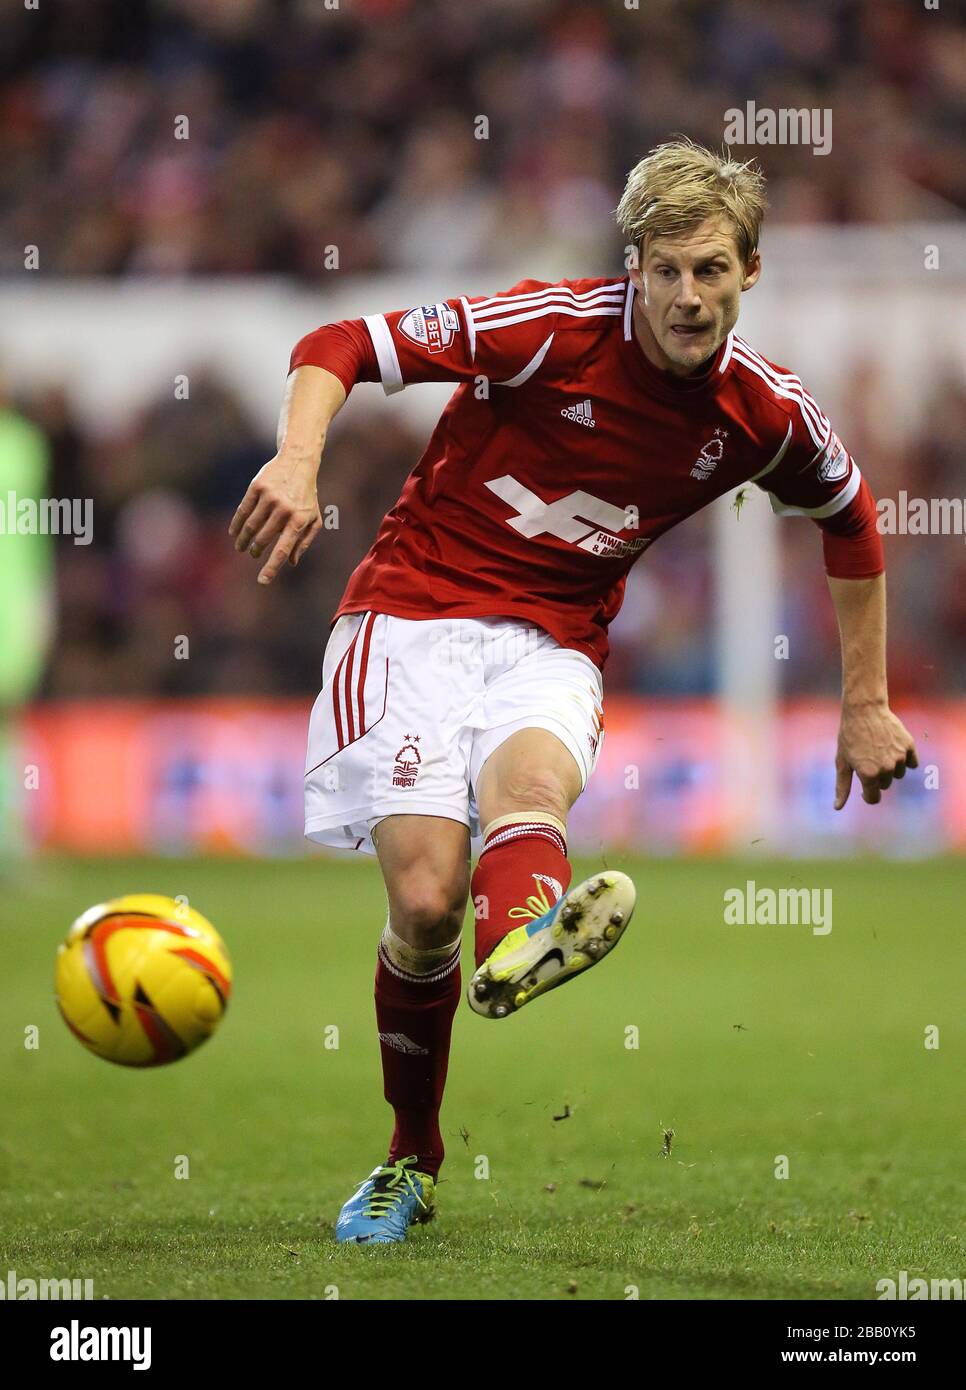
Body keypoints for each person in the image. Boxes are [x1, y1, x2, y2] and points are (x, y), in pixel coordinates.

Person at [229, 140, 917, 1244]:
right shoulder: (547, 328)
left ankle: (523, 939)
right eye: (666, 272)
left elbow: (851, 516)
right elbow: (340, 342)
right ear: (632, 267)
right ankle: (415, 1147)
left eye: (712, 272)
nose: (688, 298)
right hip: (411, 617)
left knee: (531, 790)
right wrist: (300, 459)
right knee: (419, 906)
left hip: (554, 639)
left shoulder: (763, 412)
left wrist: (866, 698)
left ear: (750, 274)